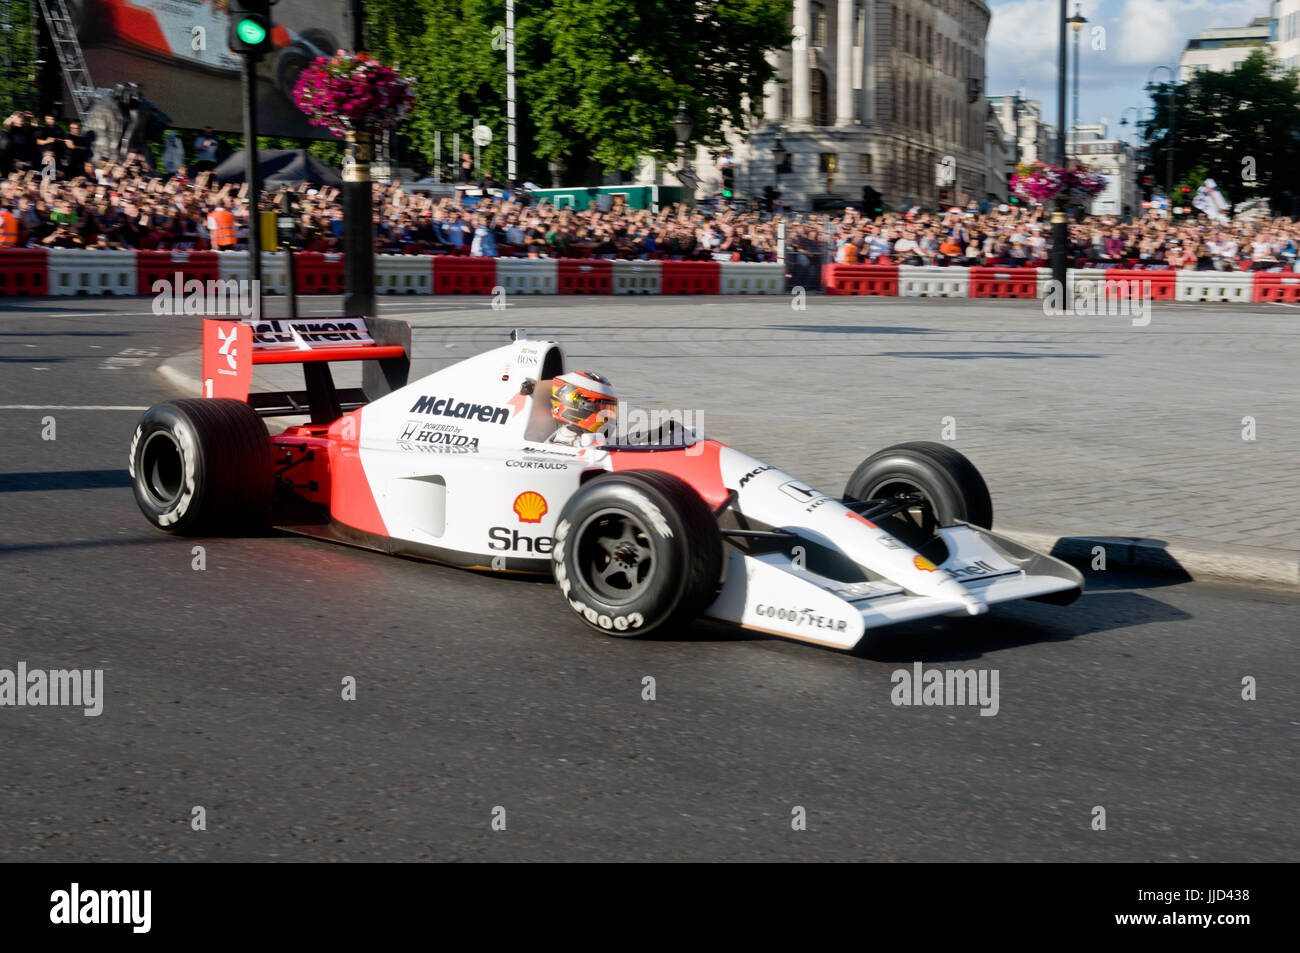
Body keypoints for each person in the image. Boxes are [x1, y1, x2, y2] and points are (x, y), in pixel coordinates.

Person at [548, 370, 618, 445]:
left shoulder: (597, 443)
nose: (608, 415)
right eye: (600, 408)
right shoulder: (561, 448)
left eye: (609, 409)